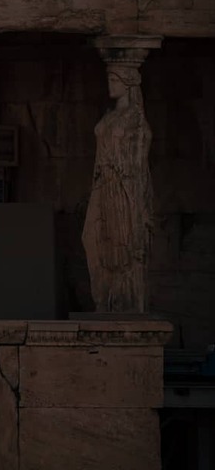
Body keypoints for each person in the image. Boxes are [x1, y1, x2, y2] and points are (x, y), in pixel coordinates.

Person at [82, 61, 152, 312]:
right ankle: (106, 300)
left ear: (129, 84)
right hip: (103, 185)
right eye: (110, 80)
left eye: (115, 80)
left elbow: (138, 159)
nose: (110, 85)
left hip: (123, 189)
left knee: (123, 246)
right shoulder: (110, 116)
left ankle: (125, 303)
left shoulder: (136, 120)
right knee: (92, 238)